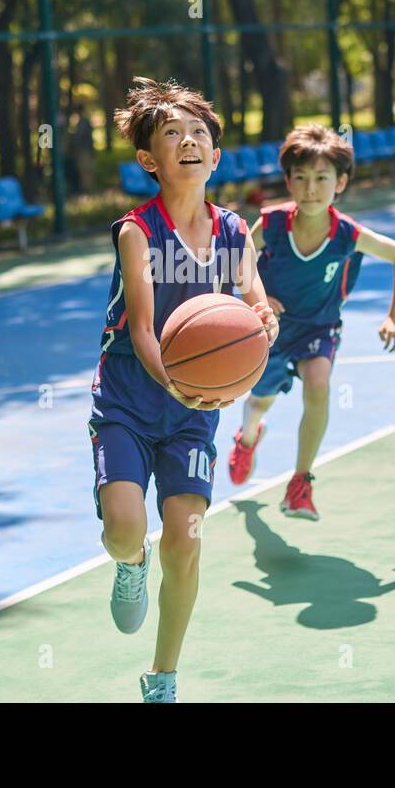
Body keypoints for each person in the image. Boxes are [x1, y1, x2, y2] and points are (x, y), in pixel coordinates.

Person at [90, 77, 279, 702]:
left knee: (186, 541)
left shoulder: (232, 230)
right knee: (124, 528)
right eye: (173, 134)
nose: (189, 141)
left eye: (200, 133)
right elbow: (143, 328)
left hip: (194, 413)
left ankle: (162, 677)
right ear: (150, 161)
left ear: (216, 156)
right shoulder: (136, 232)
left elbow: (253, 300)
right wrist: (174, 381)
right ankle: (128, 563)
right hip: (129, 399)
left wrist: (264, 321)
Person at [226, 124, 395, 519]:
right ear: (289, 182)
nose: (311, 188)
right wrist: (256, 295)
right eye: (302, 178)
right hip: (270, 329)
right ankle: (246, 439)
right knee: (260, 401)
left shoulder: (347, 234)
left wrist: (394, 318)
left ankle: (300, 483)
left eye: (322, 178)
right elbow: (237, 259)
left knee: (318, 382)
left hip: (319, 327)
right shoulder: (273, 225)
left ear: (340, 183)